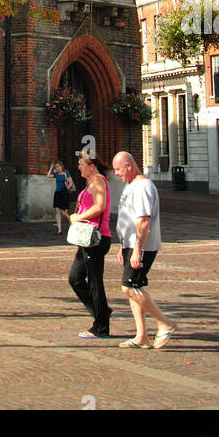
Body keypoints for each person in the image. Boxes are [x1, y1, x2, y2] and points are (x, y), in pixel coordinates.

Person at [111, 150, 177, 349]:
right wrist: (123, 246)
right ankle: (142, 335)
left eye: (118, 169)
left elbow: (143, 220)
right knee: (134, 287)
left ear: (129, 166)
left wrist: (138, 248)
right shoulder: (132, 186)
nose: (116, 174)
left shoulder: (142, 187)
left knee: (130, 287)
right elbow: (128, 219)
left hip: (142, 245)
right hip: (131, 244)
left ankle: (164, 322)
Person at [65, 148, 112, 338]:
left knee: (94, 282)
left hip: (95, 238)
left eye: (81, 164)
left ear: (91, 166)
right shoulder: (91, 182)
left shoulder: (99, 181)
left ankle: (101, 326)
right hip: (86, 238)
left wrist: (78, 217)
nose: (78, 167)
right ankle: (102, 312)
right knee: (75, 278)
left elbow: (99, 207)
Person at [47, 159, 76, 235]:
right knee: (57, 211)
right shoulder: (56, 174)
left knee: (64, 213)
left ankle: (71, 224)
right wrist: (51, 167)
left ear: (61, 166)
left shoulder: (66, 173)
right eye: (55, 167)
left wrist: (66, 189)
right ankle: (59, 230)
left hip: (64, 193)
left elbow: (70, 183)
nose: (56, 168)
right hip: (57, 193)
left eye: (57, 166)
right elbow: (48, 176)